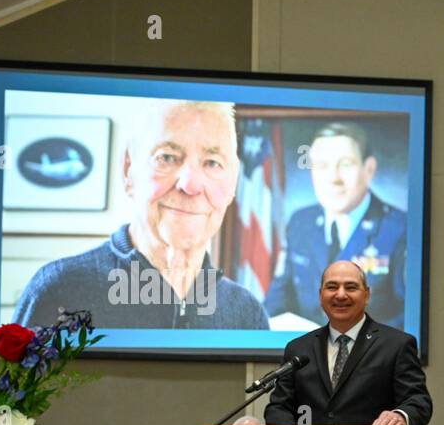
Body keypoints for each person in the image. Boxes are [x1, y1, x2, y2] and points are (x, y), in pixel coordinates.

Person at [14, 100, 268, 330]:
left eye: (212, 162)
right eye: (167, 157)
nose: (191, 185)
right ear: (129, 171)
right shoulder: (60, 290)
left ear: (233, 182)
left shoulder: (248, 314)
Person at [263, 122, 408, 328]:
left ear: (369, 169)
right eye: (322, 166)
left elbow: (410, 319)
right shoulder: (300, 223)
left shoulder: (400, 229)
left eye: (345, 164)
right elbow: (276, 302)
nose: (333, 178)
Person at [264, 259, 430, 425]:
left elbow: (418, 400)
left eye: (350, 287)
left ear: (366, 295)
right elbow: (279, 408)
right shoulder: (298, 348)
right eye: (332, 287)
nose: (341, 295)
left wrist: (400, 416)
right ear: (321, 295)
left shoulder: (396, 345)